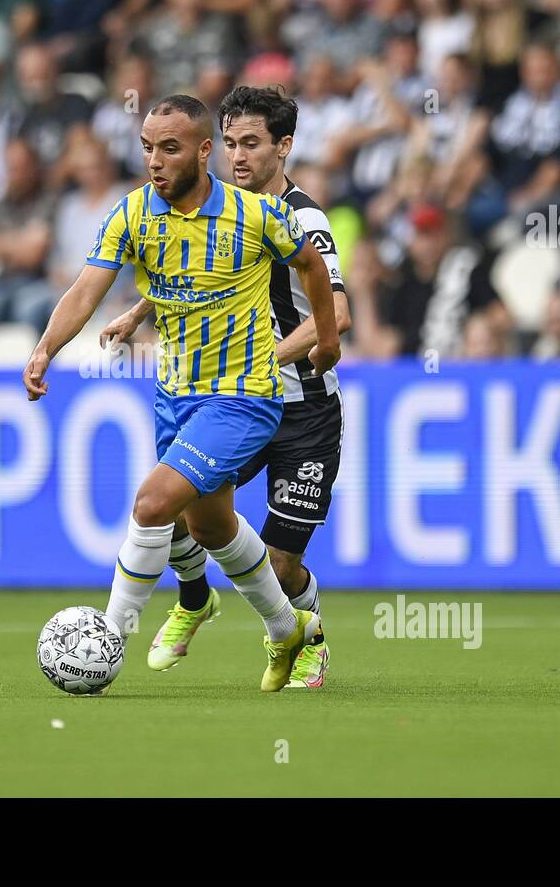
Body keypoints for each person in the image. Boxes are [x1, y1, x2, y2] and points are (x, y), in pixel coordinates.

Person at [22, 94, 340, 692]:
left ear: (201, 151)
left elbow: (314, 270)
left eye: (168, 148)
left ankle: (105, 642)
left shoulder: (256, 214)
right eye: (146, 147)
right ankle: (282, 628)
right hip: (176, 396)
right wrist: (46, 347)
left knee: (152, 504)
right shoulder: (133, 213)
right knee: (212, 527)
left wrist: (326, 340)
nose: (154, 161)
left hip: (247, 394)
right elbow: (87, 289)